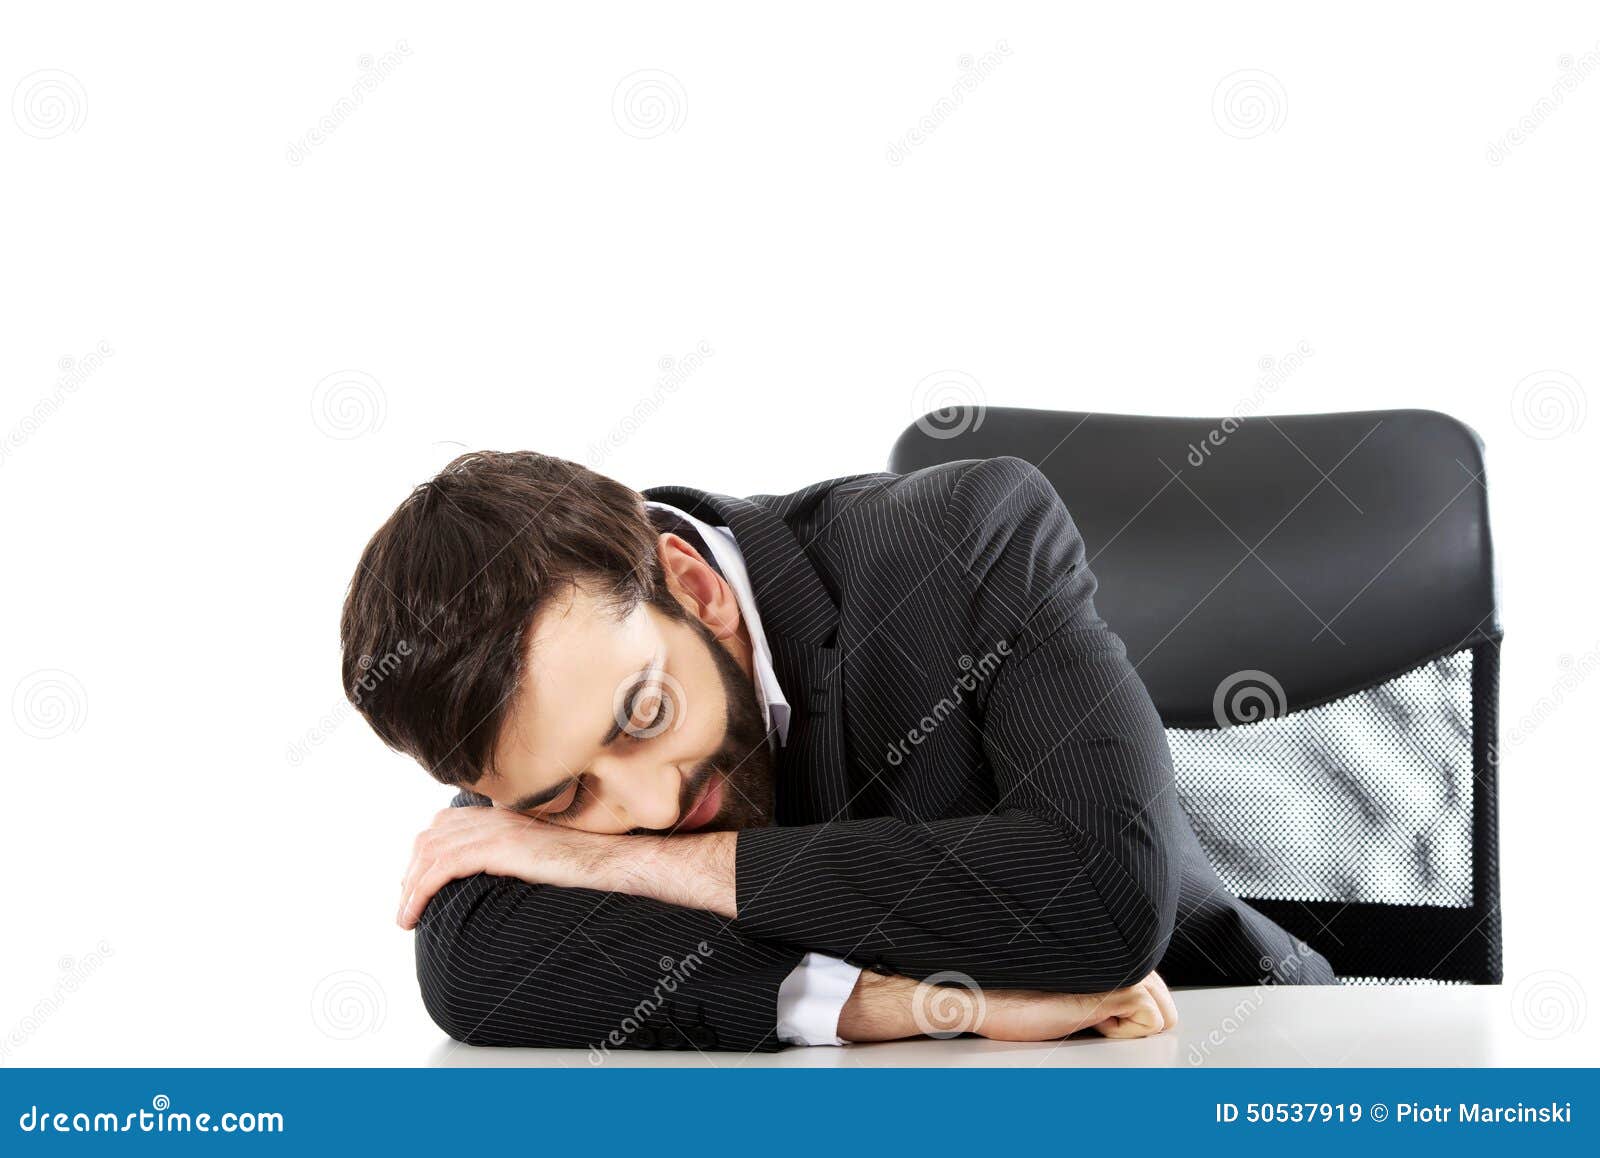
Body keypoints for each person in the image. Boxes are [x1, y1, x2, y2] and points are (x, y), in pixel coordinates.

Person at [341, 450, 1333, 1053]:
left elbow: (1102, 899)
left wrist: (616, 861)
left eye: (643, 716)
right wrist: (921, 1006)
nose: (645, 802)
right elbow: (475, 960)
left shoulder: (965, 537)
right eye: (562, 801)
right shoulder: (552, 695)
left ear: (691, 587)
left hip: (1225, 1049)